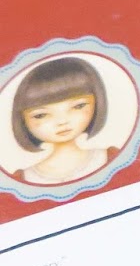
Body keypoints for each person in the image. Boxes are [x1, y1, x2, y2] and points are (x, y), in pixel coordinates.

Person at [9, 56, 119, 185]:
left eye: (78, 106)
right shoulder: (22, 179)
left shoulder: (110, 157)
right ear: (23, 120)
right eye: (41, 115)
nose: (62, 121)